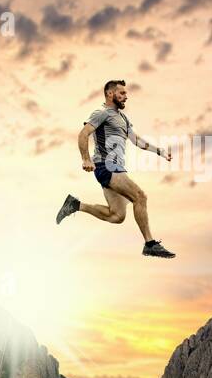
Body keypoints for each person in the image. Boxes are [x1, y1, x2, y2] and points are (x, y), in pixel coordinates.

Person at [55, 79, 176, 258]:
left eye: (126, 93)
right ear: (110, 94)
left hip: (116, 168)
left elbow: (137, 141)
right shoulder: (101, 113)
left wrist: (159, 151)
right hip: (106, 166)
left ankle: (75, 205)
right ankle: (150, 244)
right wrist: (86, 159)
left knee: (117, 216)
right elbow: (83, 134)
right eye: (122, 93)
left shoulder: (123, 118)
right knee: (140, 196)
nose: (126, 96)